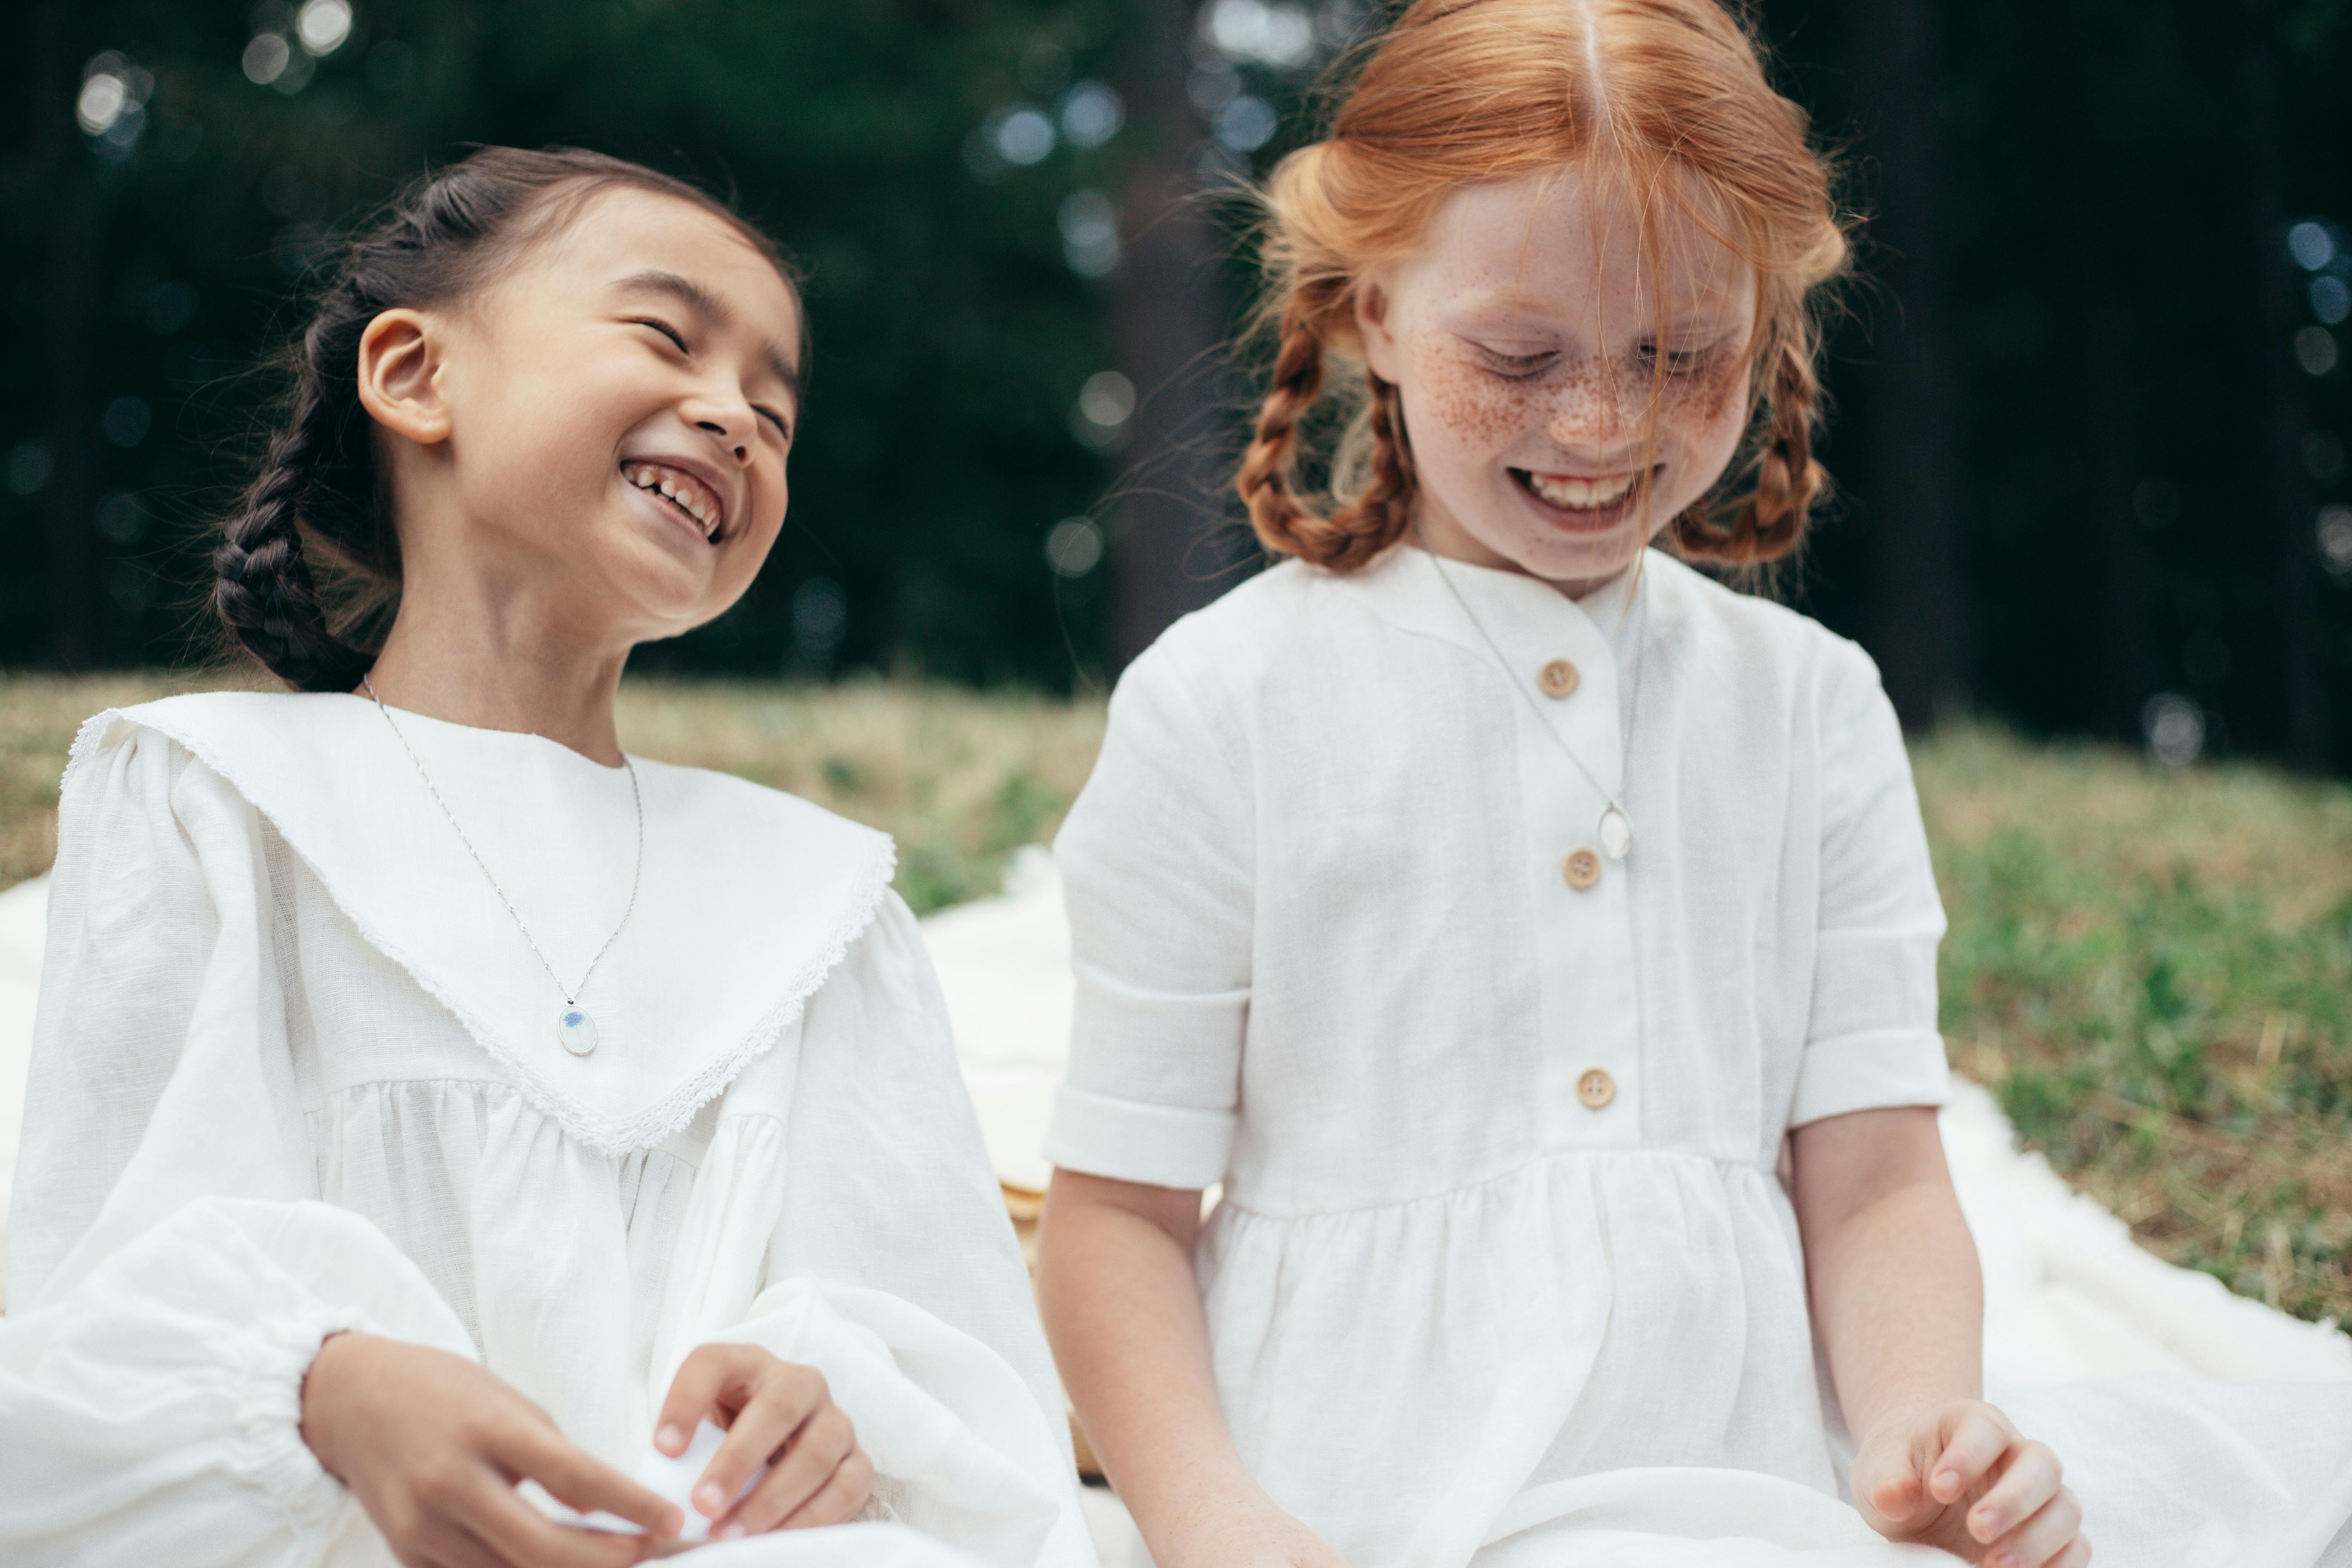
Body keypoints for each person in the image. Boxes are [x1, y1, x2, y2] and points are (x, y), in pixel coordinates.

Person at [1032, 5, 2352, 1567]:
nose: (1602, 425)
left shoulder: (1810, 707)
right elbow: (1117, 1219)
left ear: (1767, 325)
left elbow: (1874, 1180)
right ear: (1375, 309)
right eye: (1520, 356)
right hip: (1353, 1493)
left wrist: (1923, 1428)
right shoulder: (1223, 705)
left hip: (1754, 1479)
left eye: (1680, 356)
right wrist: (1216, 1529)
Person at [0, 147, 1093, 1568]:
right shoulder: (217, 803)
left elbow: (964, 1377)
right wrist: (324, 1384)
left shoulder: (820, 905)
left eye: (775, 411)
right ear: (415, 374)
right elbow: (98, 1299)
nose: (737, 417)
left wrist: (840, 1412)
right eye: (667, 335)